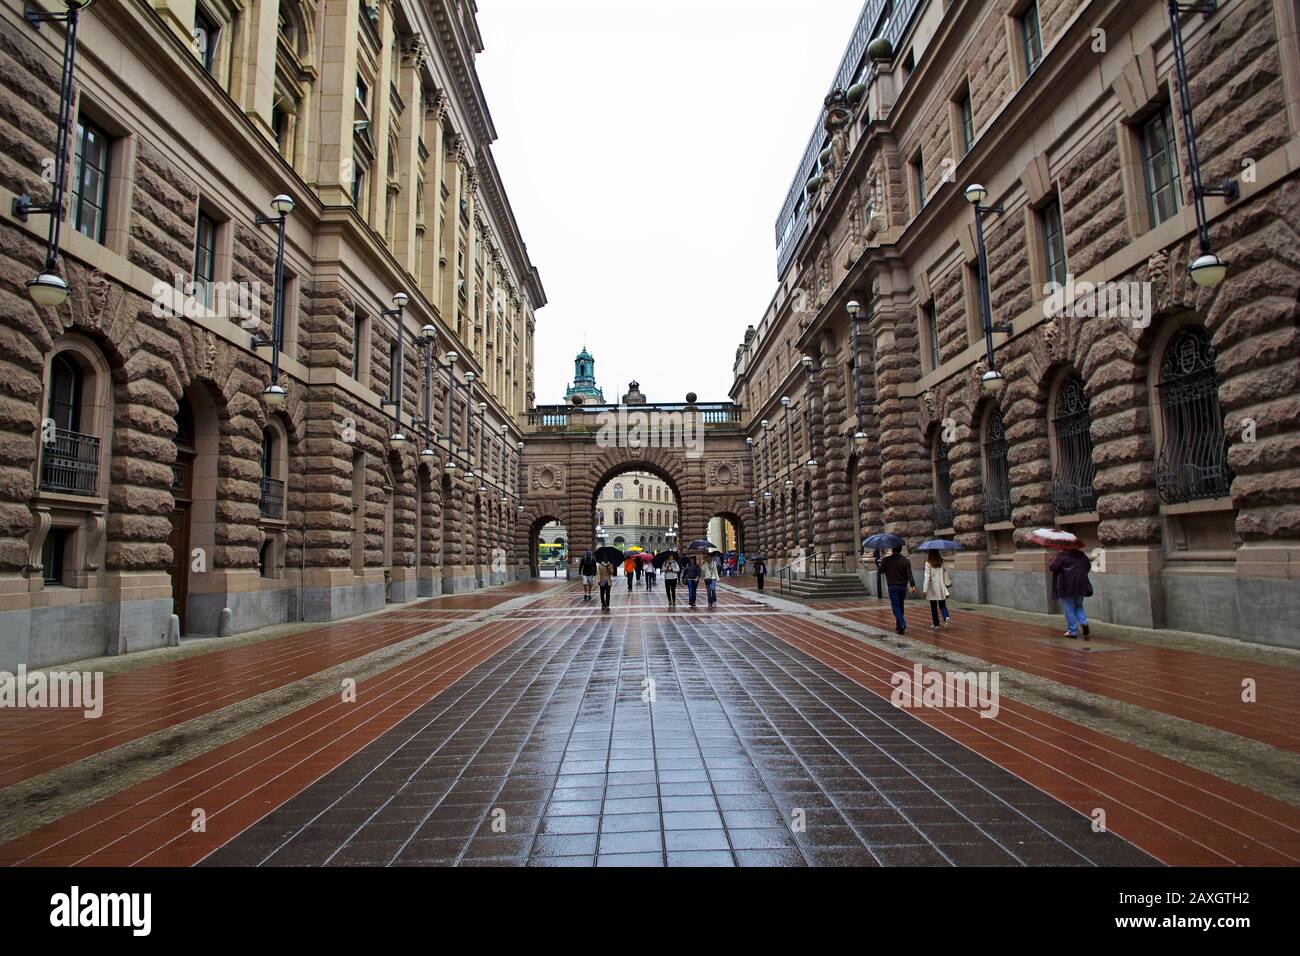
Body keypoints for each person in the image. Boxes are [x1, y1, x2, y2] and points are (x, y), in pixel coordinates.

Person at [1049, 546, 1092, 639]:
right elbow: (1088, 566)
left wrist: (1052, 560)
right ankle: (1084, 622)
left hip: (1066, 585)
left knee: (1069, 608)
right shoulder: (1082, 555)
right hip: (1081, 585)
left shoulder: (1061, 555)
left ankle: (1072, 631)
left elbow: (1053, 568)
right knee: (1078, 605)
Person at [880, 546, 917, 635]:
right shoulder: (905, 560)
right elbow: (909, 574)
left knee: (895, 606)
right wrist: (912, 585)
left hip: (892, 586)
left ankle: (902, 623)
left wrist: (880, 563)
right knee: (900, 605)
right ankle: (899, 625)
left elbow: (881, 571)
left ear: (892, 549)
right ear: (900, 550)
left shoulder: (886, 560)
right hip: (903, 587)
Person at [922, 551, 953, 631]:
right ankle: (946, 617)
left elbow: (927, 578)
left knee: (933, 606)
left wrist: (925, 589)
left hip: (932, 588)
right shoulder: (941, 563)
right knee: (942, 605)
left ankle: (936, 624)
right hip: (941, 587)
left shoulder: (928, 564)